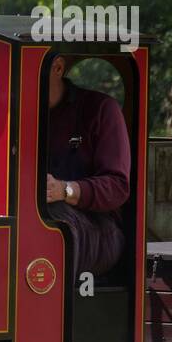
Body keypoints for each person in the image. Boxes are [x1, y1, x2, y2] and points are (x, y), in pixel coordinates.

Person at [44, 56, 131, 277]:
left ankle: (52, 305)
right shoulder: (13, 115)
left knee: (51, 222)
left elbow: (118, 186)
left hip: (99, 228)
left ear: (58, 68)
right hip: (34, 215)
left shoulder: (101, 110)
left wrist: (65, 190)